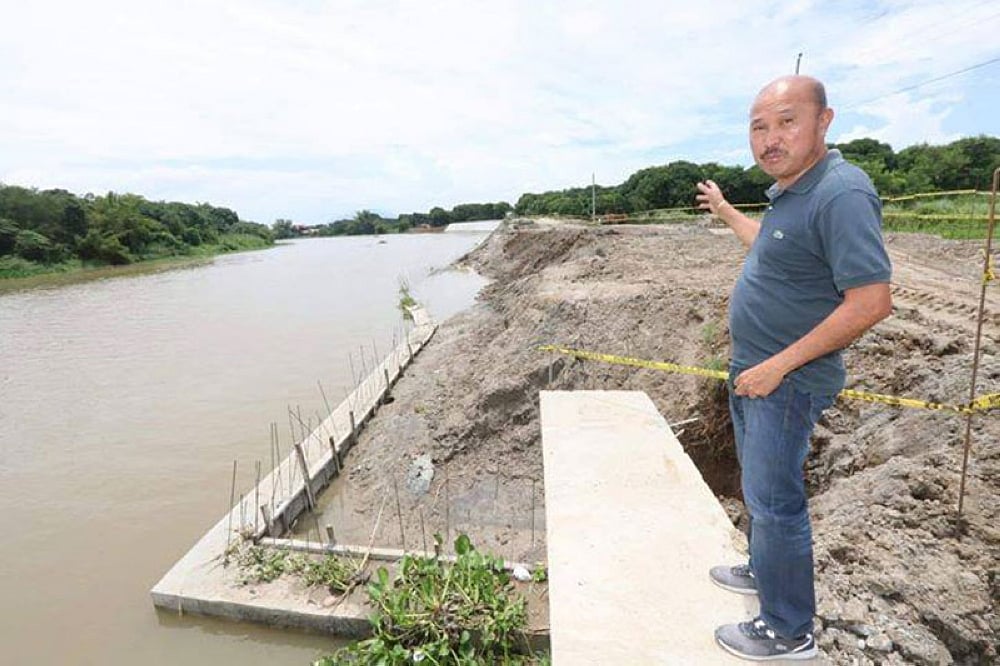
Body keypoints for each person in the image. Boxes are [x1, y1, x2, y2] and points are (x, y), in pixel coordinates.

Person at [695, 75, 893, 661]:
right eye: (759, 126)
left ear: (823, 121)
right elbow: (771, 248)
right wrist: (728, 211)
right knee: (761, 493)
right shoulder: (794, 191)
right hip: (756, 374)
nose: (770, 138)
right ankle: (763, 569)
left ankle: (787, 629)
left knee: (775, 500)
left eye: (787, 122)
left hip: (784, 381)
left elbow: (871, 302)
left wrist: (777, 366)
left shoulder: (841, 193)